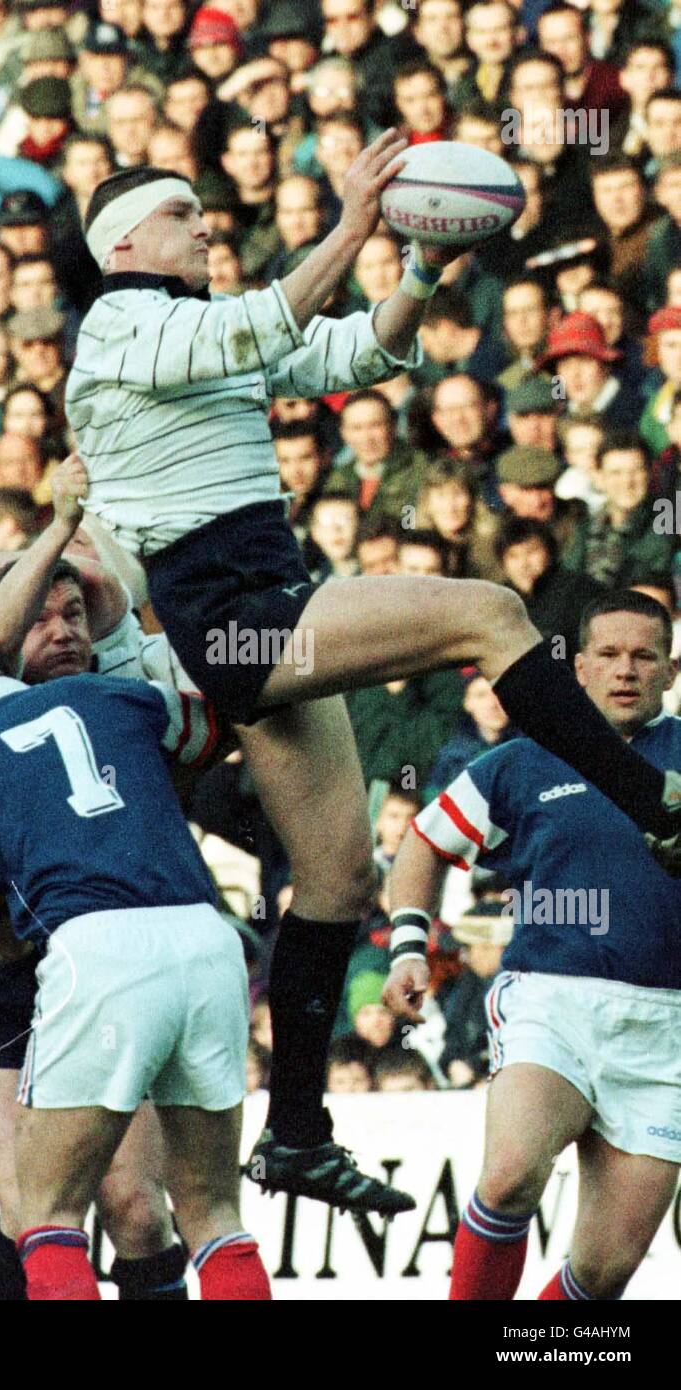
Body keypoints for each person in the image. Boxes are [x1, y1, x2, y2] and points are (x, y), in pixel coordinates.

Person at [63, 142, 681, 1214]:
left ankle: (296, 1132)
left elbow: (352, 354)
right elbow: (258, 322)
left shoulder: (195, 335)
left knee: (339, 880)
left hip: (260, 612)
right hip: (238, 614)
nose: (204, 223)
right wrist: (350, 222)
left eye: (205, 208)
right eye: (179, 213)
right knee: (487, 614)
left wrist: (420, 266)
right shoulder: (122, 324)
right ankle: (657, 808)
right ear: (122, 245)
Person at [0, 632, 270, 1302]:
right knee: (214, 1214)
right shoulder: (114, 694)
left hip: (96, 950)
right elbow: (209, 731)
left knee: (47, 1214)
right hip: (208, 937)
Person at [383, 590, 681, 1301]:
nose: (625, 670)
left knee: (602, 1273)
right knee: (513, 1172)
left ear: (671, 671)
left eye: (644, 656)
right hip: (551, 999)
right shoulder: (524, 760)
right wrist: (407, 946)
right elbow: (423, 842)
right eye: (607, 655)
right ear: (577, 669)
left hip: (667, 1026)